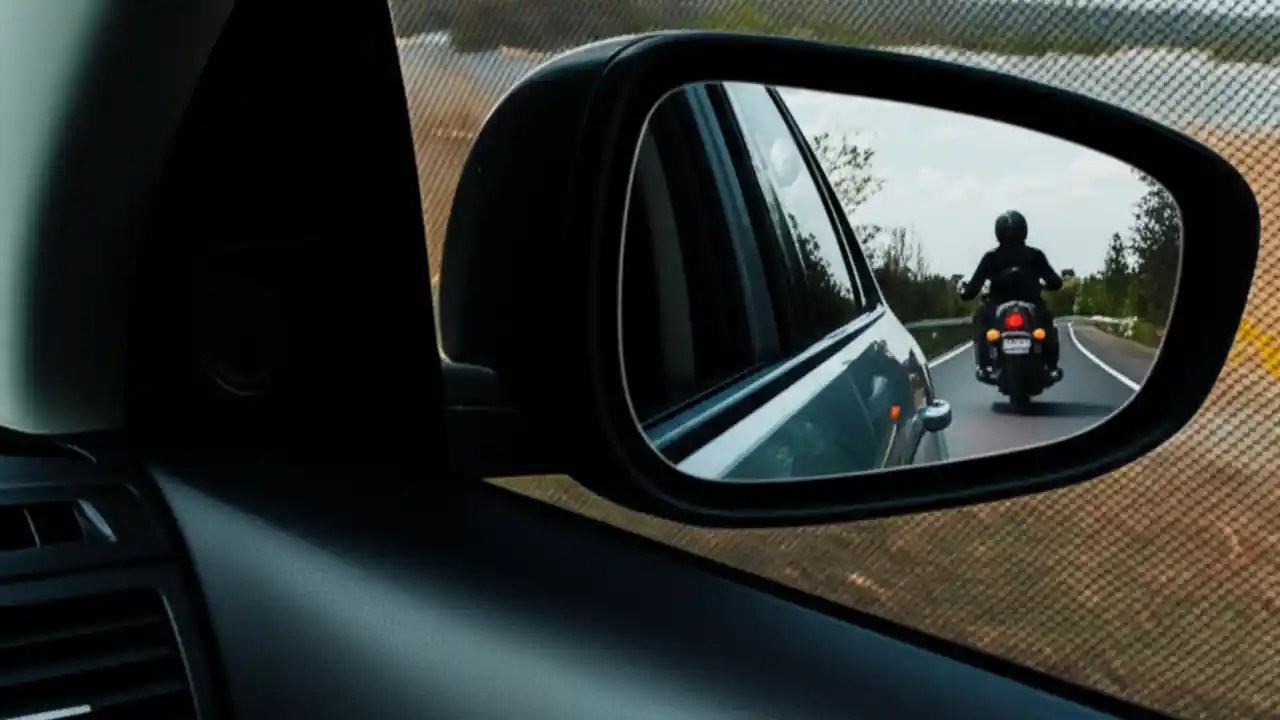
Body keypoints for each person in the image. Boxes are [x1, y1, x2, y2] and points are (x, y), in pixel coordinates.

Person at [959, 210, 1063, 378]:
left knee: (981, 321)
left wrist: (964, 294)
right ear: (1024, 230)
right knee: (1047, 325)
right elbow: (1056, 282)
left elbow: (973, 287)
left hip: (997, 305)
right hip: (1032, 304)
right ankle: (1051, 366)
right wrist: (1046, 286)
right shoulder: (1034, 255)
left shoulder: (991, 257)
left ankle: (984, 366)